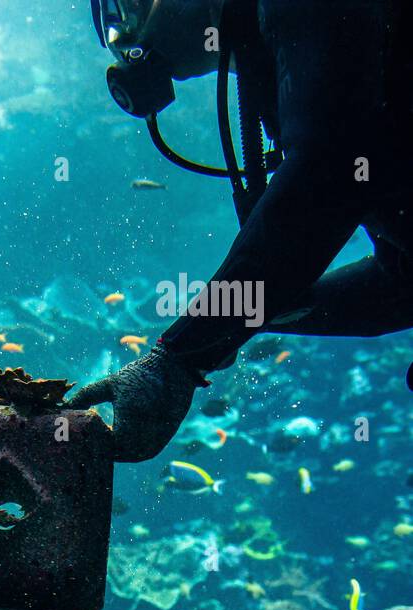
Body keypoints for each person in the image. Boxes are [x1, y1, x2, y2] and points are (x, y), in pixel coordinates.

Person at [70, 0, 413, 460]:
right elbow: (403, 281)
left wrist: (179, 358)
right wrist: (260, 311)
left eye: (131, 8)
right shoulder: (276, 54)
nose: (128, 36)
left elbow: (327, 173)